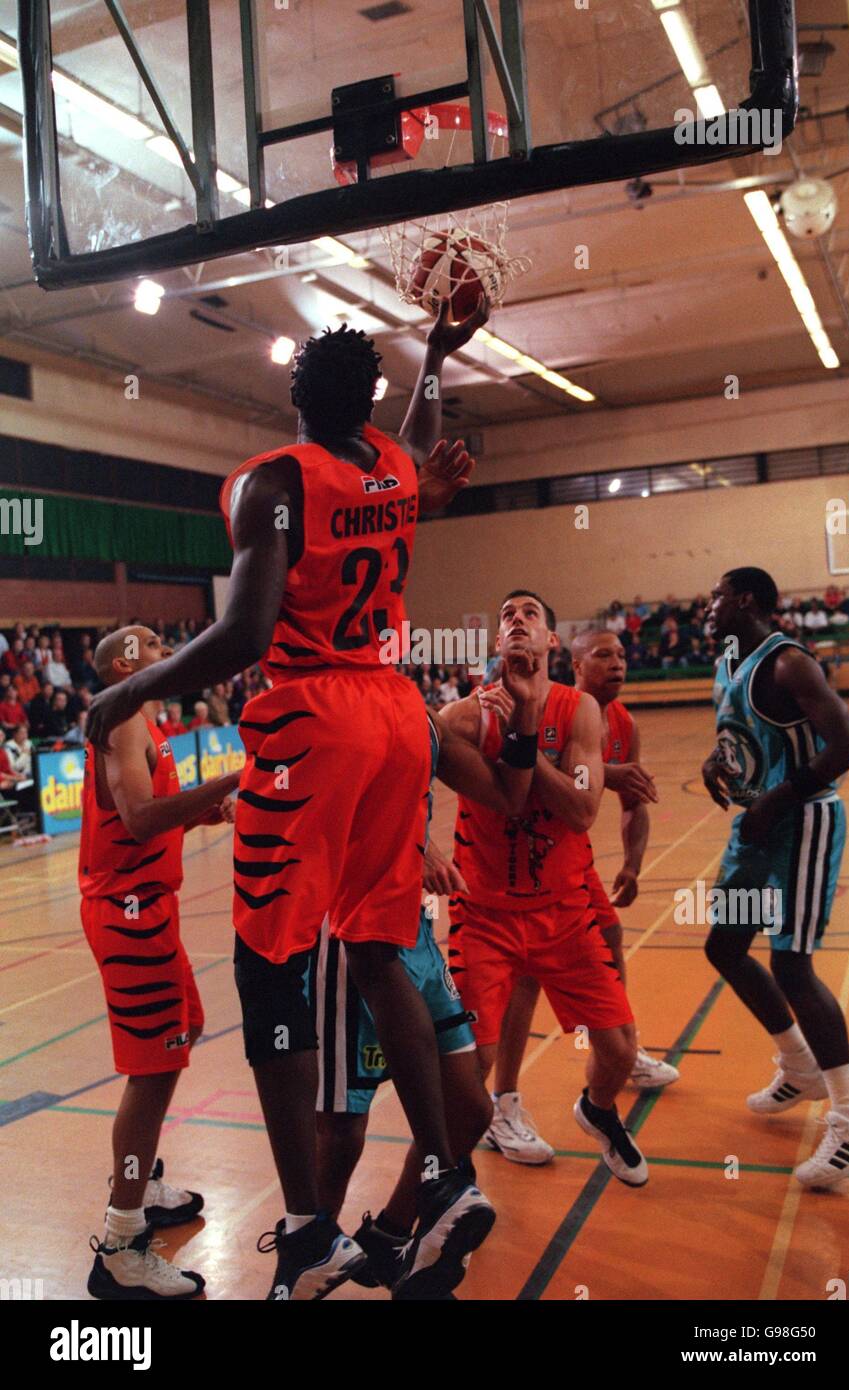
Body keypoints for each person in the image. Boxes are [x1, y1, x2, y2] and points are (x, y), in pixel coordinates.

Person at [86, 299, 498, 1301]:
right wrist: (435, 355)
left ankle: (310, 1225)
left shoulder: (274, 481)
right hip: (399, 714)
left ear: (290, 396)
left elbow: (240, 633)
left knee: (268, 960)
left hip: (315, 719)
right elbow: (418, 432)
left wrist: (127, 690)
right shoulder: (390, 469)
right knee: (372, 944)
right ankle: (440, 1174)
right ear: (364, 398)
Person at [314, 650, 544, 1298]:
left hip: (409, 927)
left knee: (468, 1105)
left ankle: (389, 1237)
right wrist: (423, 847)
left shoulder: (415, 712)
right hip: (344, 926)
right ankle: (308, 1256)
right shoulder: (322, 708)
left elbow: (509, 795)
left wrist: (524, 716)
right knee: (342, 1128)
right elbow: (331, 815)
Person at [438, 591, 649, 1186]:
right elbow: (406, 771)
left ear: (551, 641)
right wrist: (421, 846)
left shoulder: (580, 710)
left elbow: (582, 809)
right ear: (496, 641)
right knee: (470, 1061)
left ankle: (598, 1111)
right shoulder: (464, 715)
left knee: (619, 1053)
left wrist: (523, 745)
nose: (517, 620)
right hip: (484, 915)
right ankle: (448, 1177)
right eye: (506, 615)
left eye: (530, 613)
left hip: (563, 913)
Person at [81, 627, 239, 1299]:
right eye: (148, 641)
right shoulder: (120, 715)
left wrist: (201, 816)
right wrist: (232, 779)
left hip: (153, 905)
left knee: (182, 1037)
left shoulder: (142, 717)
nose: (163, 644)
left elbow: (140, 815)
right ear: (124, 663)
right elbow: (140, 818)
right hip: (129, 911)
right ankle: (120, 1244)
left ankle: (140, 1180)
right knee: (152, 1072)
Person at [482, 628, 679, 1162]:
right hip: (516, 868)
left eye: (621, 654)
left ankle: (622, 1051)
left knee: (611, 938)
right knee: (523, 979)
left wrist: (635, 864)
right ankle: (503, 1102)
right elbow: (569, 790)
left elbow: (633, 802)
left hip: (570, 862)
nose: (618, 663)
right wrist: (601, 777)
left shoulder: (622, 722)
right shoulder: (552, 709)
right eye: (603, 655)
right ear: (573, 663)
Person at [702, 567, 849, 1187]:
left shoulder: (789, 662)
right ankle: (800, 1067)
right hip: (759, 824)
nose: (710, 604)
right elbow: (746, 733)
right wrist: (719, 759)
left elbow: (847, 747)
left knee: (792, 964)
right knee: (724, 945)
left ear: (746, 600)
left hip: (803, 820)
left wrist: (778, 797)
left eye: (718, 595)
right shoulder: (731, 662)